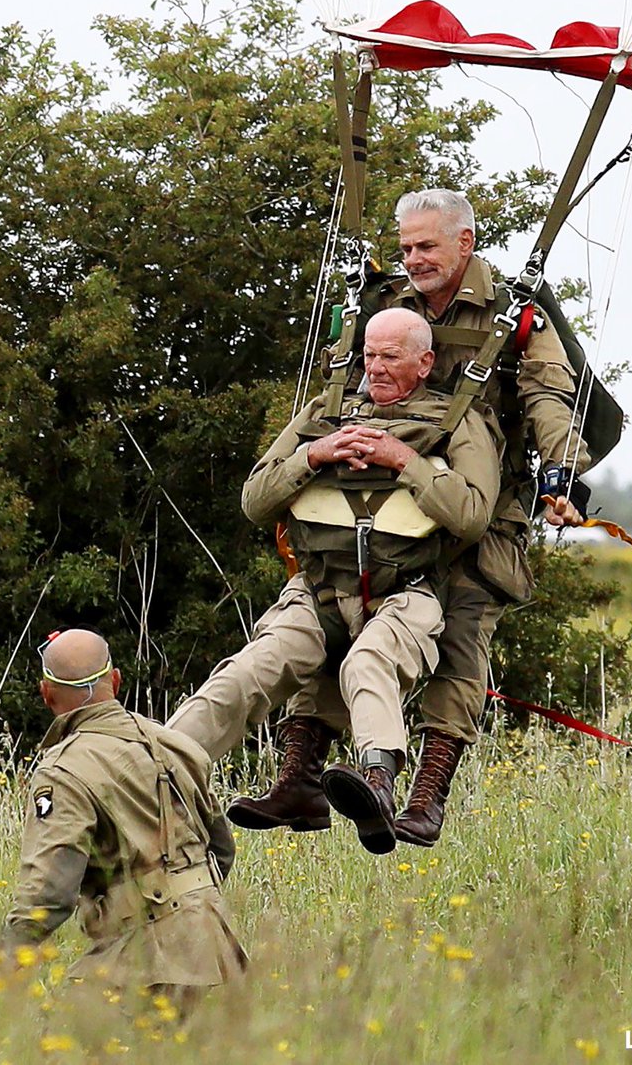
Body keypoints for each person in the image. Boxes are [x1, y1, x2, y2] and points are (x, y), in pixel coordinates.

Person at [228, 189, 589, 847]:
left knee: (463, 633)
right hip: (382, 502)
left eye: (427, 246)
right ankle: (301, 777)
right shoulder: (387, 304)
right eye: (406, 247)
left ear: (465, 243)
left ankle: (425, 797)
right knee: (332, 607)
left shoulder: (517, 314)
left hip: (475, 504)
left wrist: (565, 474)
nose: (414, 259)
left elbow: (550, 398)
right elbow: (346, 380)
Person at [167, 308, 501, 854]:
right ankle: (156, 767)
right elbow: (255, 501)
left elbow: (471, 516)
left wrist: (405, 462)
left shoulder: (457, 421)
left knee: (369, 662)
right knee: (253, 667)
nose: (376, 367)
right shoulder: (325, 413)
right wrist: (315, 454)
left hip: (407, 590)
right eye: (369, 354)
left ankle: (376, 782)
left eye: (390, 356)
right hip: (319, 588)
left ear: (425, 362)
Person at [0, 628, 245, 1033]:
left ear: (46, 694)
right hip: (218, 946)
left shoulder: (63, 771)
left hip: (146, 957)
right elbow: (221, 850)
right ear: (115, 681)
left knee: (59, 1048)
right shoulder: (177, 745)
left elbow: (48, 896)